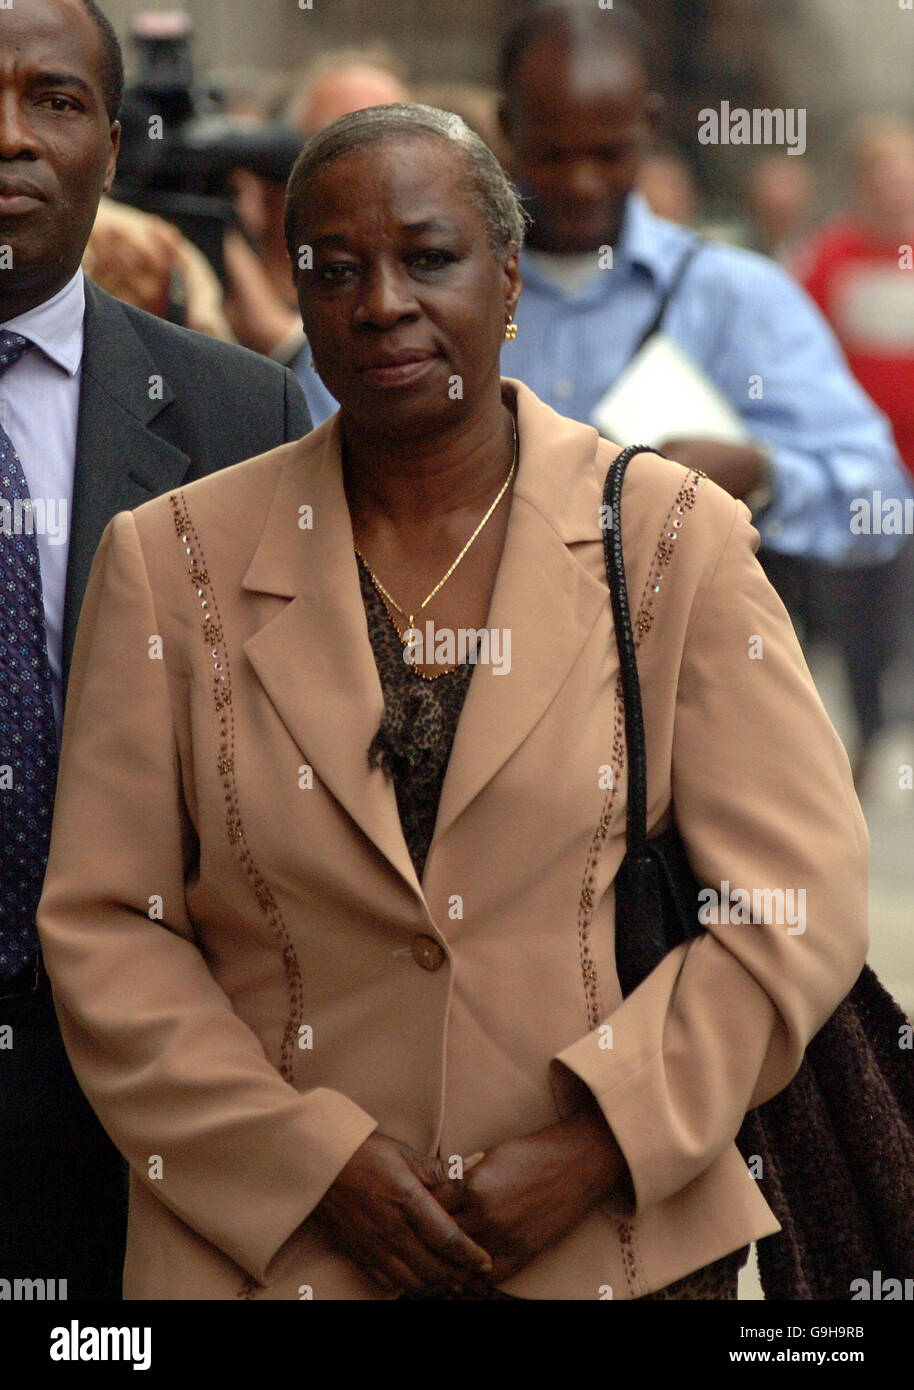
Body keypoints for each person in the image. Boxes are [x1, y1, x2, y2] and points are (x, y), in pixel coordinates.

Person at [38, 103, 869, 1301]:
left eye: (428, 258)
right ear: (298, 291)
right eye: (335, 270)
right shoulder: (171, 562)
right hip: (264, 1256)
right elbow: (111, 925)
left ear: (509, 278)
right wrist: (311, 1163)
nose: (381, 303)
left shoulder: (668, 537)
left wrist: (593, 1144)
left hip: (604, 1249)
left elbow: (792, 903)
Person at [0, 0, 310, 1301]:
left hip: (151, 1088)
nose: (9, 138)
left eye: (55, 102)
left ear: (114, 147)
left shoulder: (240, 409)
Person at [485, 0, 911, 579]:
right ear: (509, 127)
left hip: (675, 662)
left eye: (609, 153)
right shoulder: (451, 295)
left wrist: (763, 475)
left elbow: (882, 504)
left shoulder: (734, 296)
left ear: (651, 125)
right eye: (552, 153)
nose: (581, 183)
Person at [793, 114, 914, 782]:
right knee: (858, 613)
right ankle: (869, 730)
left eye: (906, 178)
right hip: (856, 477)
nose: (897, 192)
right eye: (884, 178)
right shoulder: (830, 259)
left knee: (903, 607)